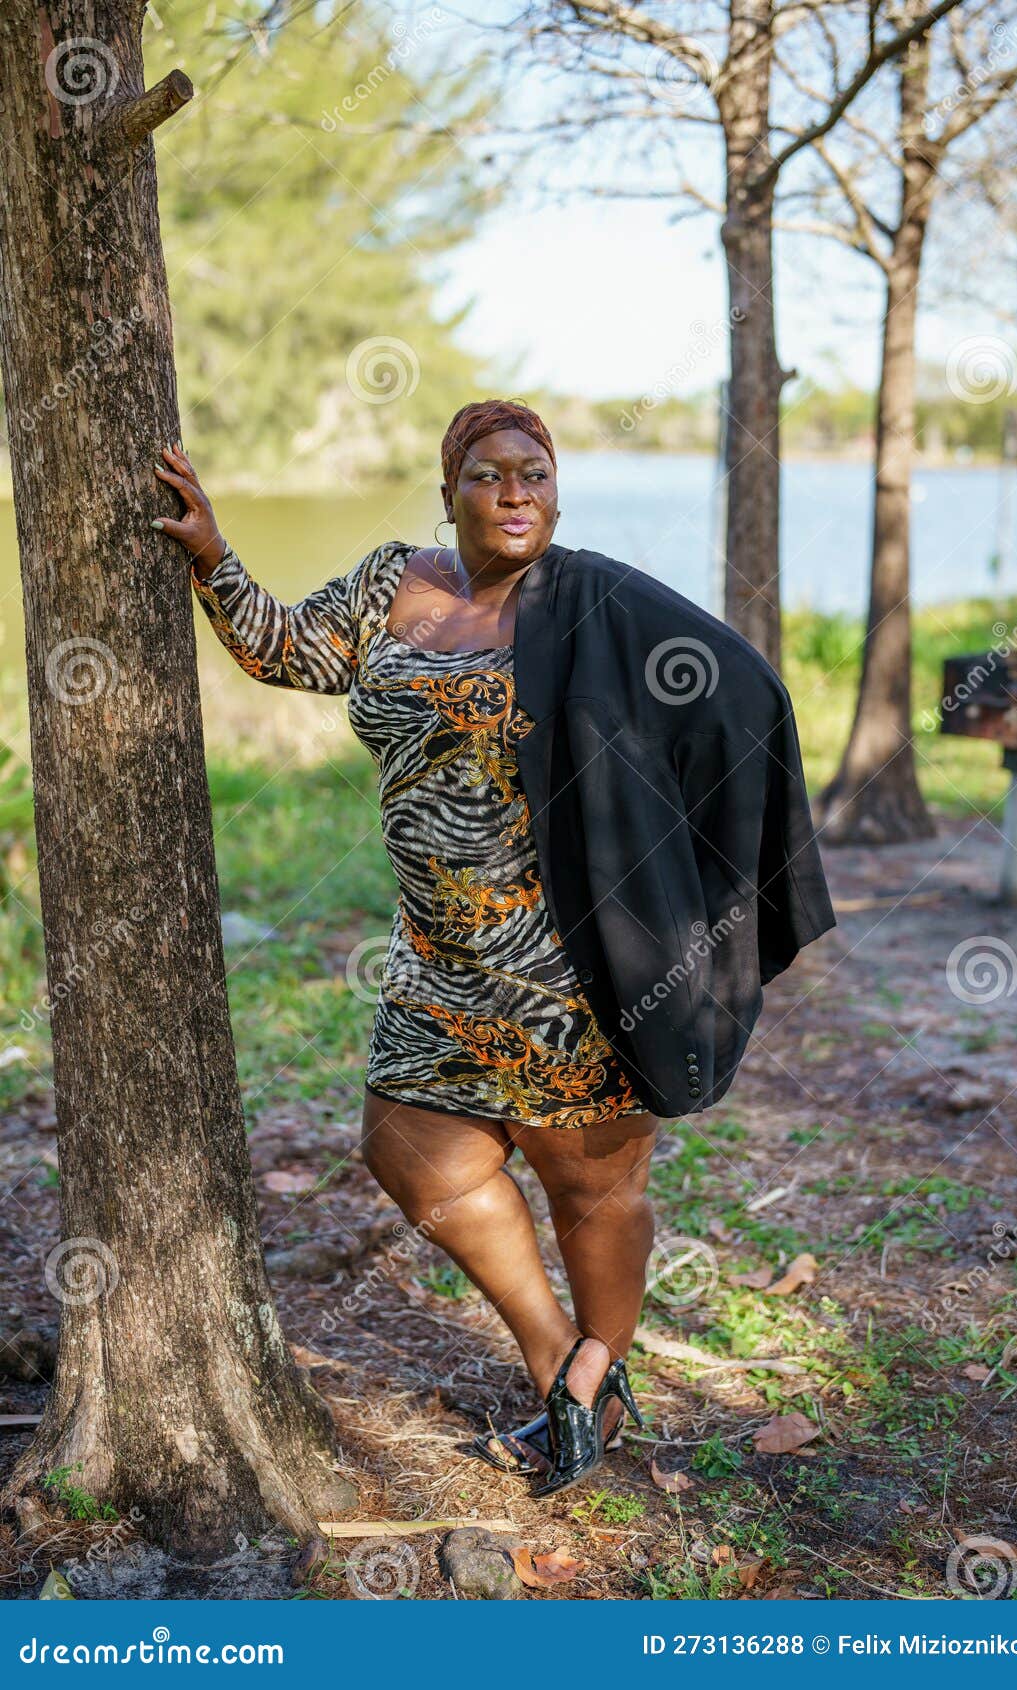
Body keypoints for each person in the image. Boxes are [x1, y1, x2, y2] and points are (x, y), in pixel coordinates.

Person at [151, 397, 834, 1497]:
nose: (516, 492)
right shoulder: (389, 584)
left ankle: (593, 1376)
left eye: (536, 474)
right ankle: (561, 1359)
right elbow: (285, 651)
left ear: (556, 494)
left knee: (589, 1184)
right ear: (449, 491)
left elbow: (744, 697)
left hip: (567, 959)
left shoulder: (593, 599)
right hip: (434, 955)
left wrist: (693, 867)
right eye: (489, 473)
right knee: (408, 1150)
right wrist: (213, 555)